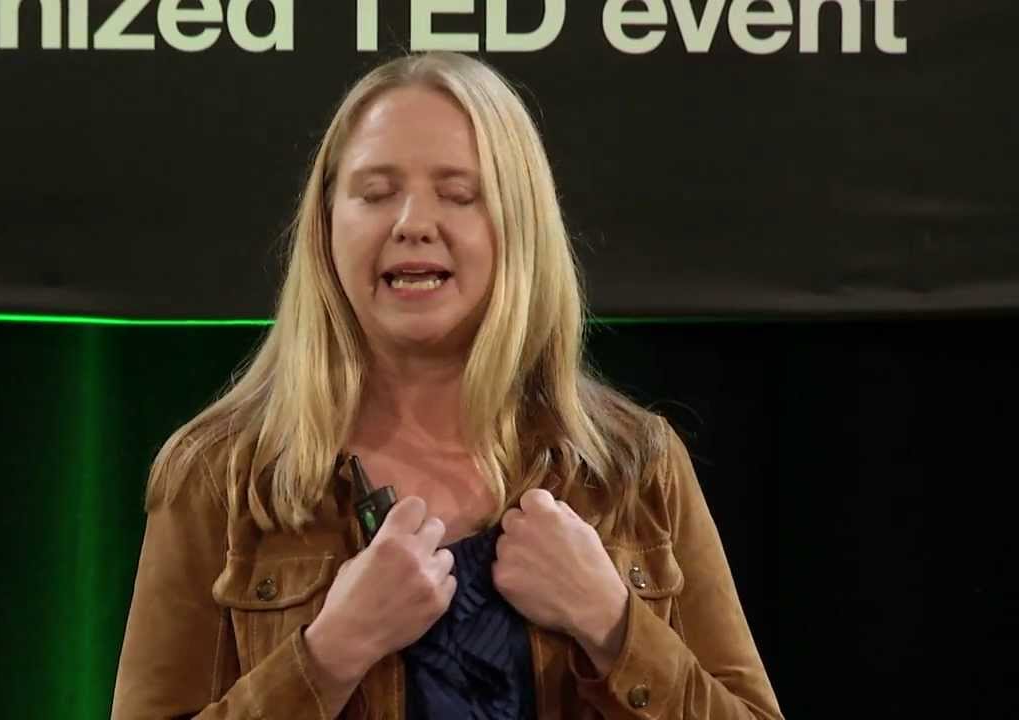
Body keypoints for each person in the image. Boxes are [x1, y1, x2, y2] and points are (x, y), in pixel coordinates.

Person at [110, 51, 783, 720]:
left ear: (518, 227)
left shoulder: (636, 467)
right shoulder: (218, 475)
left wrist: (612, 625)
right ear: (325, 226)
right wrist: (330, 654)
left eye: (459, 195)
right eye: (375, 193)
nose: (412, 224)